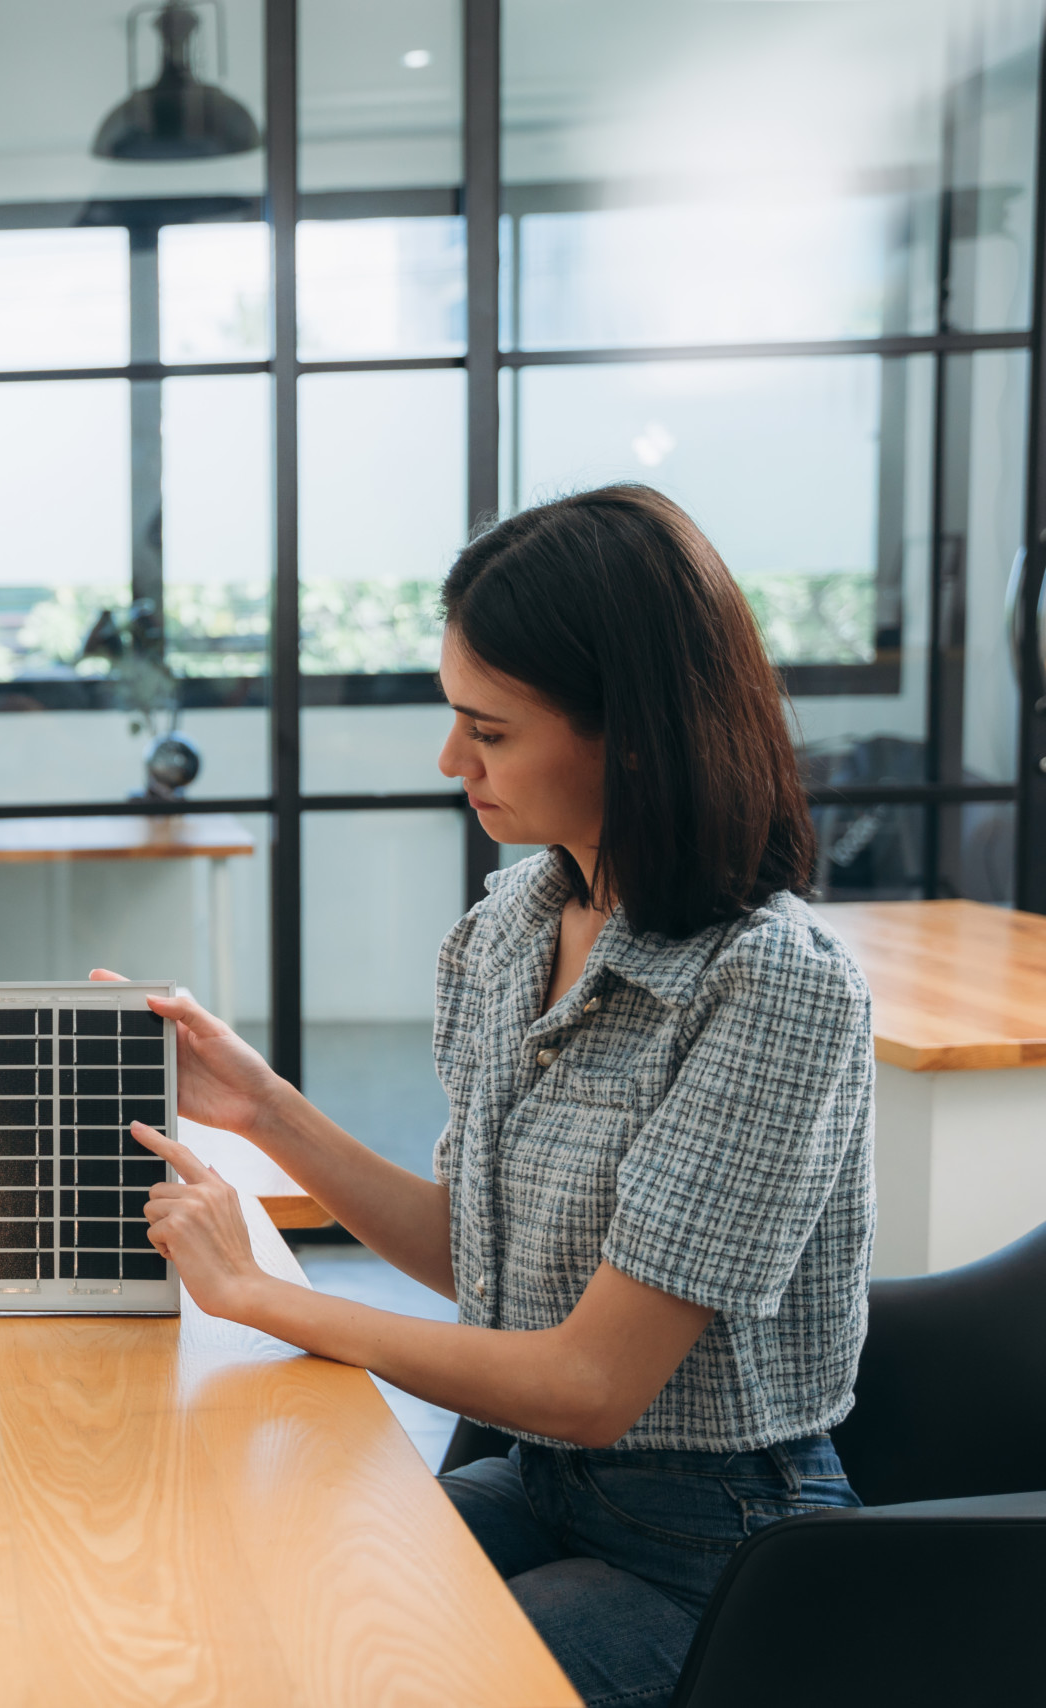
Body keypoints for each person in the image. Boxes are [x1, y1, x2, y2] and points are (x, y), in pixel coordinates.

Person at [109, 486, 871, 1708]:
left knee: (385, 1671)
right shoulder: (510, 924)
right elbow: (484, 1259)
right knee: (249, 1596)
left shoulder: (773, 987)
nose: (450, 759)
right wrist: (263, 1107)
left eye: (491, 730)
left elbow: (590, 1383)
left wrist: (261, 1297)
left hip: (719, 1545)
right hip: (546, 1479)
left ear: (633, 733)